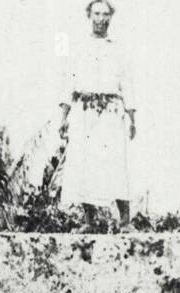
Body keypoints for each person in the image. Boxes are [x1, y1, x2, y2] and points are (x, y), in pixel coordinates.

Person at [57, 1, 136, 227]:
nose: (100, 19)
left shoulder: (119, 49)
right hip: (84, 111)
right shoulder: (78, 48)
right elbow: (68, 84)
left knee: (116, 163)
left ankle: (125, 221)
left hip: (111, 112)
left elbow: (127, 84)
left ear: (111, 17)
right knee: (83, 164)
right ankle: (89, 221)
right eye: (96, 14)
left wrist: (132, 118)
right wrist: (63, 118)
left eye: (105, 14)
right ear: (89, 16)